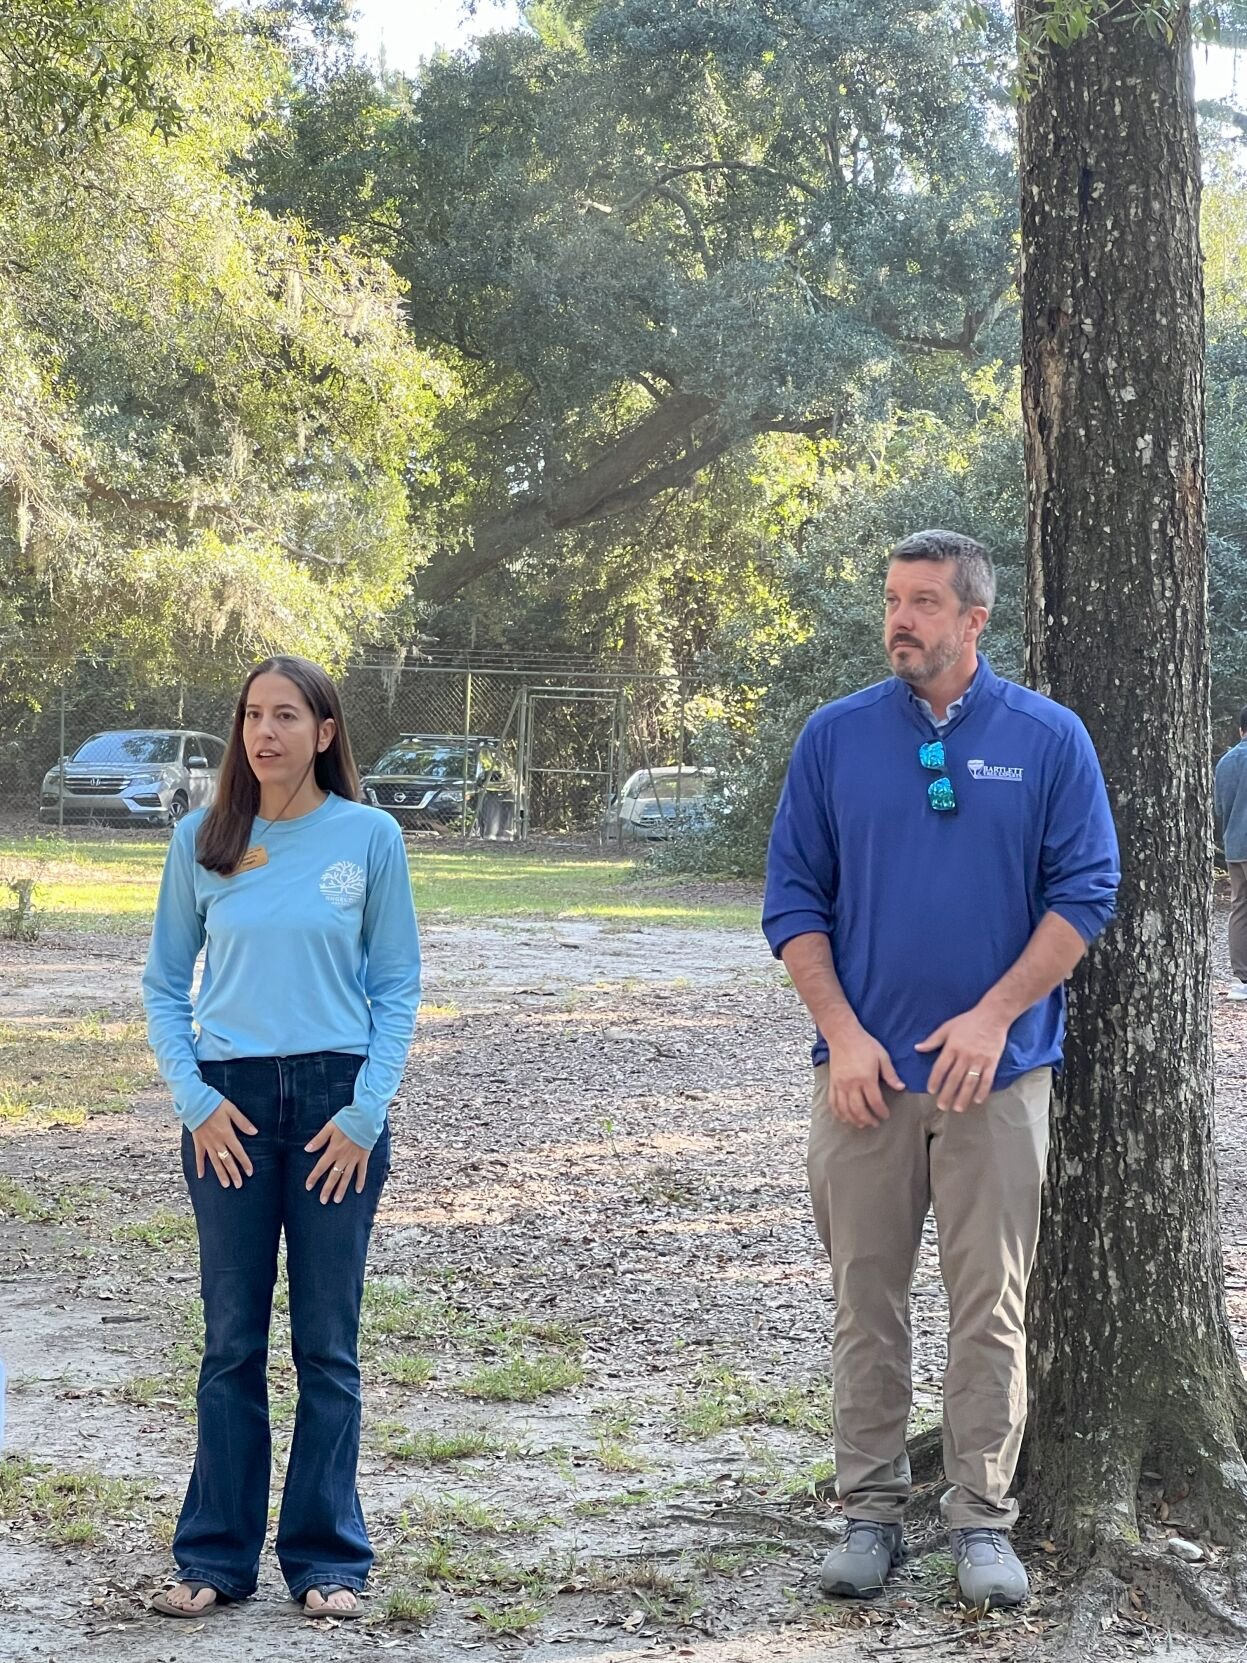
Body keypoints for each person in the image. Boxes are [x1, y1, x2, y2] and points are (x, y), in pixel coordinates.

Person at [762, 531, 1119, 1609]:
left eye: (922, 602)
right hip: (862, 1082)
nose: (898, 621)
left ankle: (978, 1521)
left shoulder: (1047, 739)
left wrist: (991, 1017)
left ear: (973, 620)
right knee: (862, 1301)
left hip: (997, 1081)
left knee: (986, 1307)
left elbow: (1083, 895)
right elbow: (791, 900)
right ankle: (867, 1511)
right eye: (890, 600)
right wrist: (842, 1033)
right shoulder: (834, 739)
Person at [141, 655, 421, 1621]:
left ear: (326, 731)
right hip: (231, 1111)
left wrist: (364, 1111)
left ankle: (328, 1560)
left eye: (287, 716)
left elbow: (395, 988)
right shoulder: (204, 839)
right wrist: (195, 1101)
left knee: (327, 1345)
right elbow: (162, 985)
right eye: (253, 715)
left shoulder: (370, 838)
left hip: (335, 1106)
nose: (265, 733)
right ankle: (213, 1555)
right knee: (230, 1341)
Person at [1214, 706, 1247, 1001]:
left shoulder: (1224, 762)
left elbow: (1220, 809)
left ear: (1241, 729)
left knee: (1240, 909)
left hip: (1235, 845)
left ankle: (1242, 979)